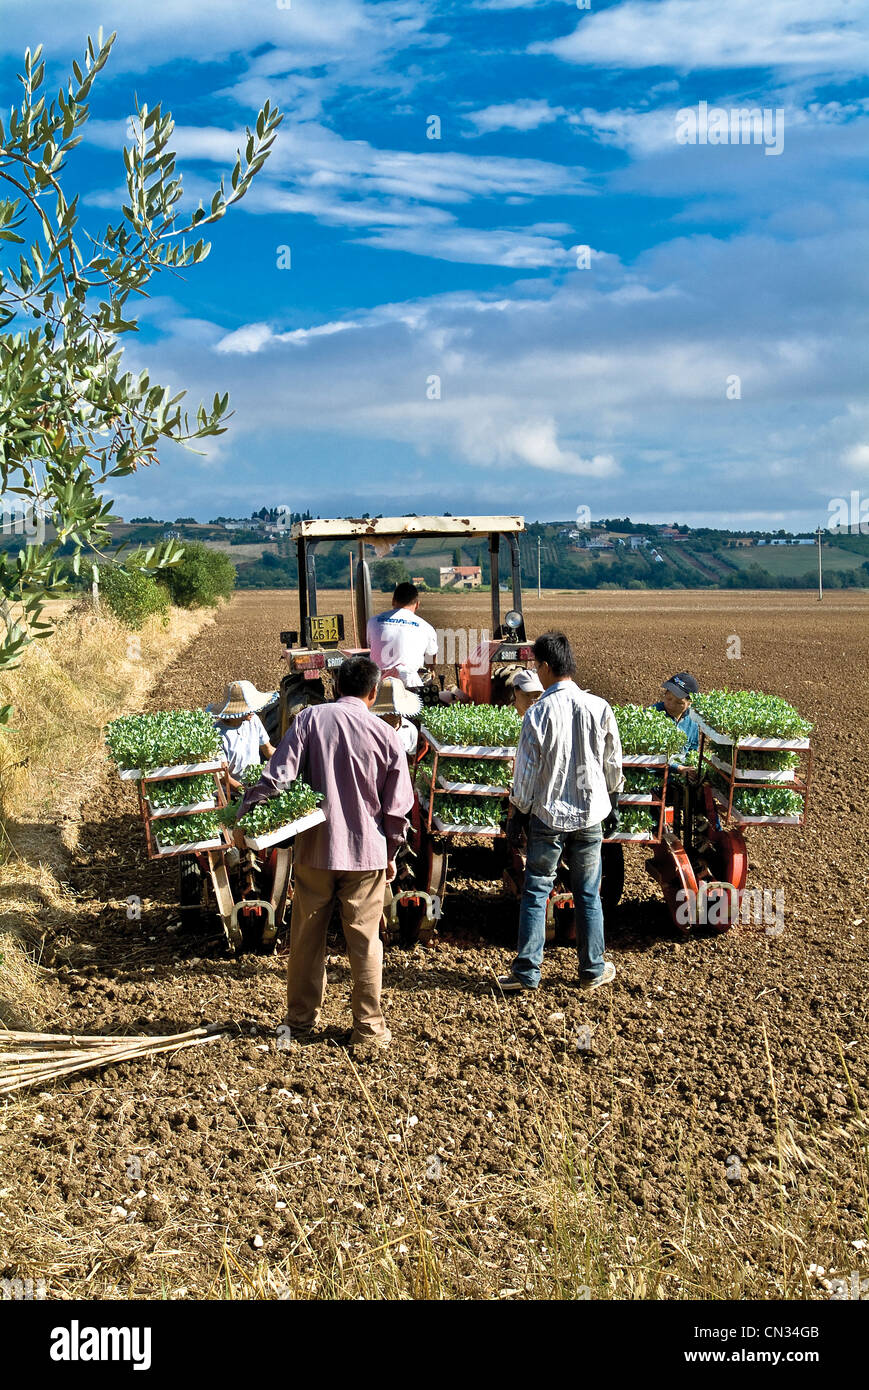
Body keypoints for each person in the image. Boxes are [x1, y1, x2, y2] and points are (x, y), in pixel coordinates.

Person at [241, 657, 413, 1051]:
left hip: (316, 850)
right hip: (367, 854)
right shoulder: (386, 735)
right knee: (366, 942)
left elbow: (279, 776)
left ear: (334, 686)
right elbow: (397, 807)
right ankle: (368, 1030)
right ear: (374, 693)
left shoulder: (308, 720)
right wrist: (391, 851)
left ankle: (299, 1024)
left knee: (305, 939)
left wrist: (246, 811)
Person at [495, 631, 623, 994]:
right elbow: (612, 761)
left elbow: (527, 771)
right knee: (587, 891)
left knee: (536, 889)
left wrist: (516, 814)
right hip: (590, 813)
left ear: (547, 667)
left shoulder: (537, 713)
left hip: (548, 816)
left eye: (538, 666)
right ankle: (592, 969)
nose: (538, 672)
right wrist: (613, 800)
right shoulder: (599, 707)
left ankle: (526, 973)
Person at [208, 680, 277, 793]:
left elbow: (268, 750)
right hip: (231, 793)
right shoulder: (218, 734)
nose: (253, 711)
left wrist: (290, 760)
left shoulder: (253, 720)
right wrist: (244, 792)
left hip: (255, 785)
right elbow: (223, 777)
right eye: (248, 708)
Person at [367, 582, 438, 690]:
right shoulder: (426, 627)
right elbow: (432, 658)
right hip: (409, 686)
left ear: (393, 601)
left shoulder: (373, 621)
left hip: (377, 686)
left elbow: (369, 645)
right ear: (417, 604)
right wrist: (431, 670)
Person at [372, 675, 422, 757]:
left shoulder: (410, 730)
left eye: (397, 712)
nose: (394, 715)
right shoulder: (370, 729)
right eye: (389, 711)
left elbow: (411, 759)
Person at [653, 672, 700, 755]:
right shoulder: (652, 714)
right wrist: (677, 767)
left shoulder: (693, 720)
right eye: (668, 698)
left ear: (690, 703)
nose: (671, 705)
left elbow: (693, 749)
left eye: (679, 703)